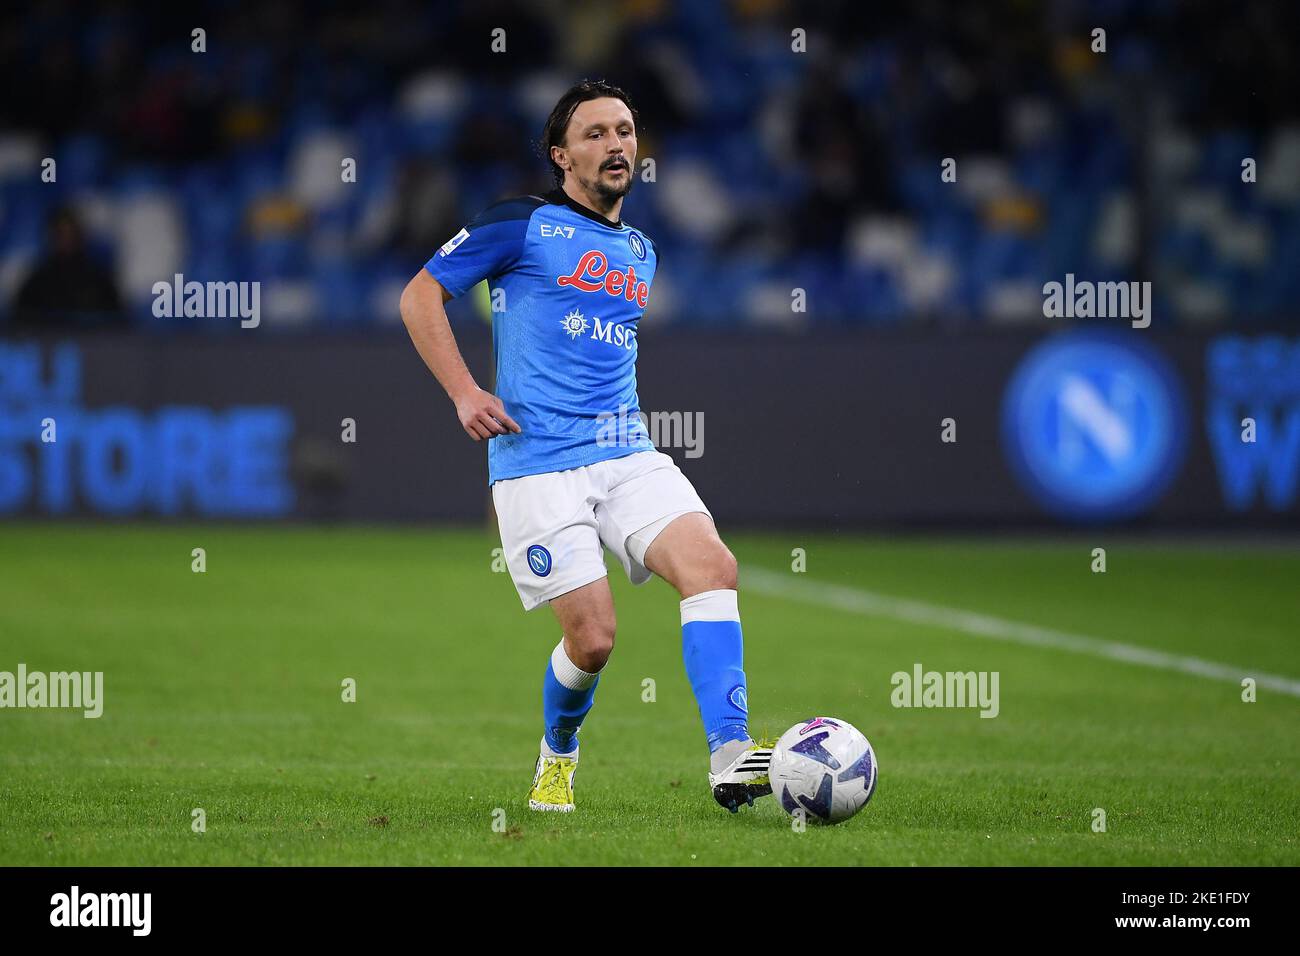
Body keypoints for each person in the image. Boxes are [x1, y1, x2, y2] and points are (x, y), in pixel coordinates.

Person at [398, 79, 769, 813]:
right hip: (537, 462)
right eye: (595, 133)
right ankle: (558, 754)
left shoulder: (639, 251)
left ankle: (730, 753)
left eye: (625, 131)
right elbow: (419, 296)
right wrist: (467, 393)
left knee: (712, 566)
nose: (616, 144)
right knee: (594, 640)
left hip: (627, 449)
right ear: (561, 155)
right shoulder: (519, 222)